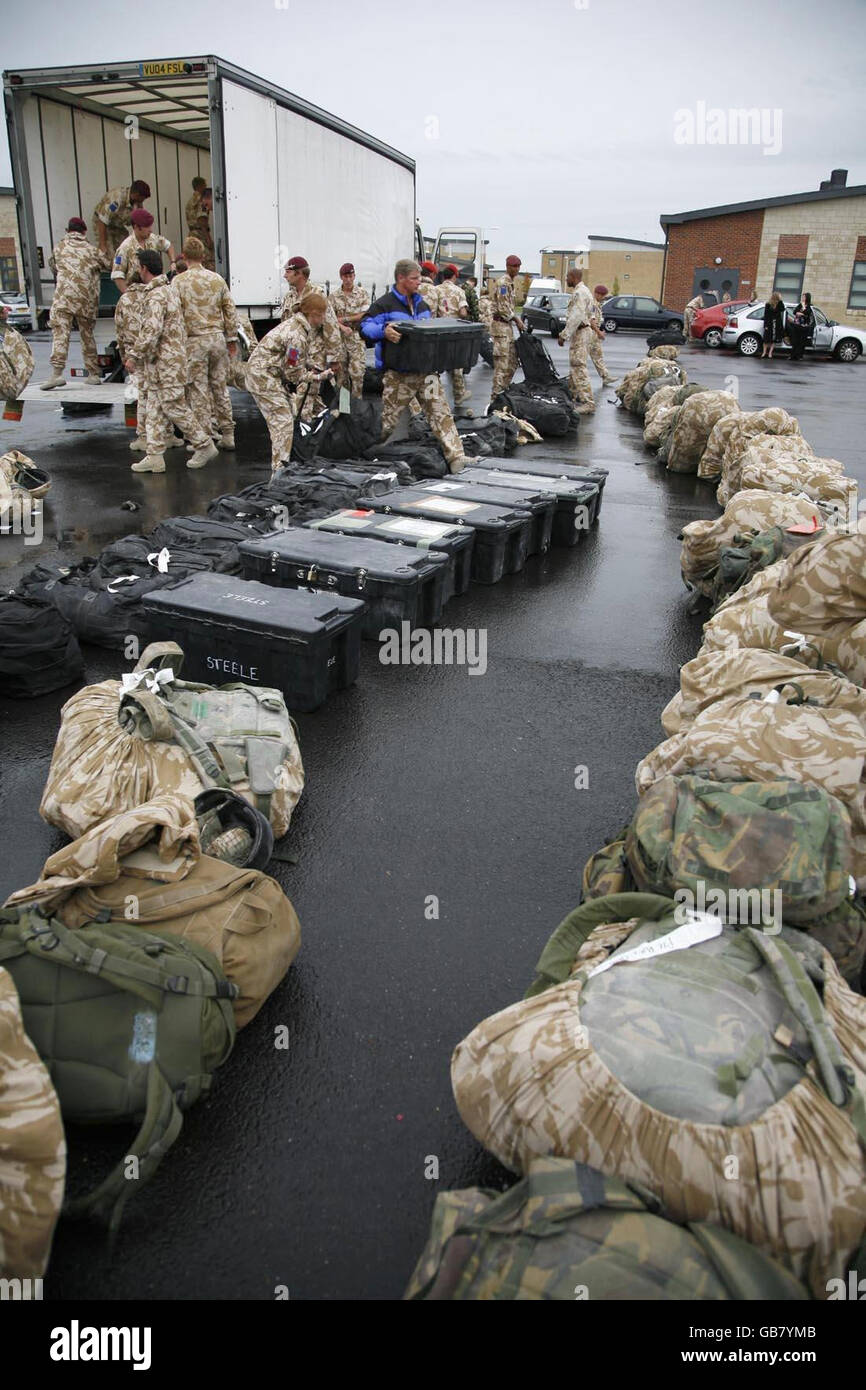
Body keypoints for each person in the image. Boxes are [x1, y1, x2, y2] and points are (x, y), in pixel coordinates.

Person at [361, 257, 467, 474]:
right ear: (401, 278)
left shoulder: (422, 304)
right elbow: (365, 326)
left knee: (441, 414)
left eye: (419, 278)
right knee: (387, 423)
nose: (419, 282)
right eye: (414, 278)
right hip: (399, 375)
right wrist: (384, 331)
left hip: (426, 372)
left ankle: (457, 458)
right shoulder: (385, 304)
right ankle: (358, 449)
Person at [125, 248, 218, 474]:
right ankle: (154, 456)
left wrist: (134, 355)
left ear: (144, 269)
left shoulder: (156, 295)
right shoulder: (168, 290)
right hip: (164, 363)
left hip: (165, 363)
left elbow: (151, 330)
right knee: (155, 408)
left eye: (139, 266)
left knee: (174, 406)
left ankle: (204, 445)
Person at [245, 293, 334, 472]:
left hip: (267, 373)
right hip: (263, 377)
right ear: (314, 314)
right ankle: (280, 471)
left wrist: (311, 365)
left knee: (287, 416)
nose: (324, 319)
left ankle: (284, 464)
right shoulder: (297, 336)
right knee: (282, 421)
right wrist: (319, 377)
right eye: (322, 314)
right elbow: (293, 373)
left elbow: (294, 359)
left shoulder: (298, 327)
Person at [173, 235, 240, 450]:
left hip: (194, 342)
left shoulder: (179, 282)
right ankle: (228, 434)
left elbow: (174, 315)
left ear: (184, 256)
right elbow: (230, 309)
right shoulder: (217, 279)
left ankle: (206, 437)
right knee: (220, 387)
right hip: (217, 339)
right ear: (203, 256)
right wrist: (231, 338)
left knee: (199, 391)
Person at [40, 217, 110, 390]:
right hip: (86, 301)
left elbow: (54, 267)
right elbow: (108, 265)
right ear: (84, 232)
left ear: (68, 231)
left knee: (61, 334)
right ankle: (93, 374)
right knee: (87, 336)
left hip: (64, 298)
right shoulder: (92, 250)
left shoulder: (59, 247)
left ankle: (56, 374)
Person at [279, 255, 342, 413]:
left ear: (299, 273)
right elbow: (285, 326)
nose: (284, 275)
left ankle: (304, 430)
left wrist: (334, 358)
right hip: (295, 353)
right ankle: (329, 421)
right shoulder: (289, 296)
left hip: (314, 354)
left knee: (305, 396)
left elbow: (331, 326)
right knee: (307, 397)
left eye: (288, 271)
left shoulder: (316, 294)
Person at [114, 275, 151, 452]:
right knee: (157, 394)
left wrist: (124, 355)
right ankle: (168, 434)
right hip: (151, 351)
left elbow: (119, 331)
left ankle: (143, 437)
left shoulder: (124, 299)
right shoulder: (152, 295)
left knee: (141, 396)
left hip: (133, 353)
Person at [329, 262, 370, 398]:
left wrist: (344, 319)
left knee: (358, 373)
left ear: (354, 276)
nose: (348, 279)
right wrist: (341, 326)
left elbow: (364, 314)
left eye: (350, 276)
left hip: (356, 337)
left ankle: (357, 406)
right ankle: (345, 409)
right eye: (345, 276)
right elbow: (330, 318)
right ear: (341, 277)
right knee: (342, 377)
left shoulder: (362, 294)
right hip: (339, 339)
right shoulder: (334, 296)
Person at [111, 210, 177, 294]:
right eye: (147, 227)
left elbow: (168, 246)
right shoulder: (125, 248)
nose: (151, 230)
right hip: (137, 293)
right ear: (136, 227)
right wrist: (127, 296)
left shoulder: (153, 239)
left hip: (155, 292)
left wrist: (172, 262)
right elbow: (117, 275)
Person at [558, 268, 596, 414]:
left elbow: (576, 316)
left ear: (573, 277)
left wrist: (564, 335)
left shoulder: (579, 293)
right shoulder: (586, 291)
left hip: (580, 332)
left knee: (579, 366)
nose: (566, 279)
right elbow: (591, 313)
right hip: (582, 332)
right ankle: (574, 397)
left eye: (567, 277)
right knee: (575, 366)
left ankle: (588, 402)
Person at [437, 264, 472, 415]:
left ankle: (433, 395)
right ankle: (459, 395)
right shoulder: (459, 291)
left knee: (436, 364)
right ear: (455, 276)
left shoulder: (435, 290)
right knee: (456, 364)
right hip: (454, 331)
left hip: (437, 330)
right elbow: (463, 313)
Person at [489, 255, 525, 400]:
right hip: (500, 327)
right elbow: (503, 308)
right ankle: (495, 398)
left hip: (507, 328)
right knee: (502, 365)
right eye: (514, 266)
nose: (516, 269)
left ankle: (503, 391)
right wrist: (517, 319)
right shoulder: (503, 283)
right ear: (507, 266)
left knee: (512, 362)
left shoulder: (510, 283)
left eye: (518, 266)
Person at [92, 179, 151, 257]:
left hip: (117, 225)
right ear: (136, 195)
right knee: (109, 254)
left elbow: (137, 224)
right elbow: (102, 220)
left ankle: (122, 265)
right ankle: (112, 266)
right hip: (103, 224)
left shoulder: (137, 202)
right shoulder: (116, 199)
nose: (142, 202)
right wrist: (103, 244)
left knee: (126, 248)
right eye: (142, 199)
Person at [587, 283, 617, 387]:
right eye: (603, 296)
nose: (604, 298)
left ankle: (605, 376)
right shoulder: (593, 304)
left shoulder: (597, 304)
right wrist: (599, 332)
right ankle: (575, 379)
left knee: (598, 356)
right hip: (590, 334)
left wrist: (599, 331)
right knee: (583, 358)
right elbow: (591, 320)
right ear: (598, 294)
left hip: (594, 333)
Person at [789, 292, 815, 361]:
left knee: (802, 342)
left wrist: (801, 313)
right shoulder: (800, 305)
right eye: (802, 297)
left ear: (807, 298)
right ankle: (793, 355)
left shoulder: (810, 306)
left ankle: (799, 356)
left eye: (804, 297)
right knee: (795, 341)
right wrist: (800, 312)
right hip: (797, 325)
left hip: (804, 326)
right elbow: (795, 312)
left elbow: (807, 313)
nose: (802, 298)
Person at [761, 292, 786, 359]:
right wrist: (765, 325)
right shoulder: (768, 304)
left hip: (776, 324)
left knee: (773, 339)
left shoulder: (779, 304)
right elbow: (766, 315)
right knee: (766, 339)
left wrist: (780, 301)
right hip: (769, 323)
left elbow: (783, 309)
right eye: (779, 296)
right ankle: (764, 352)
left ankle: (770, 353)